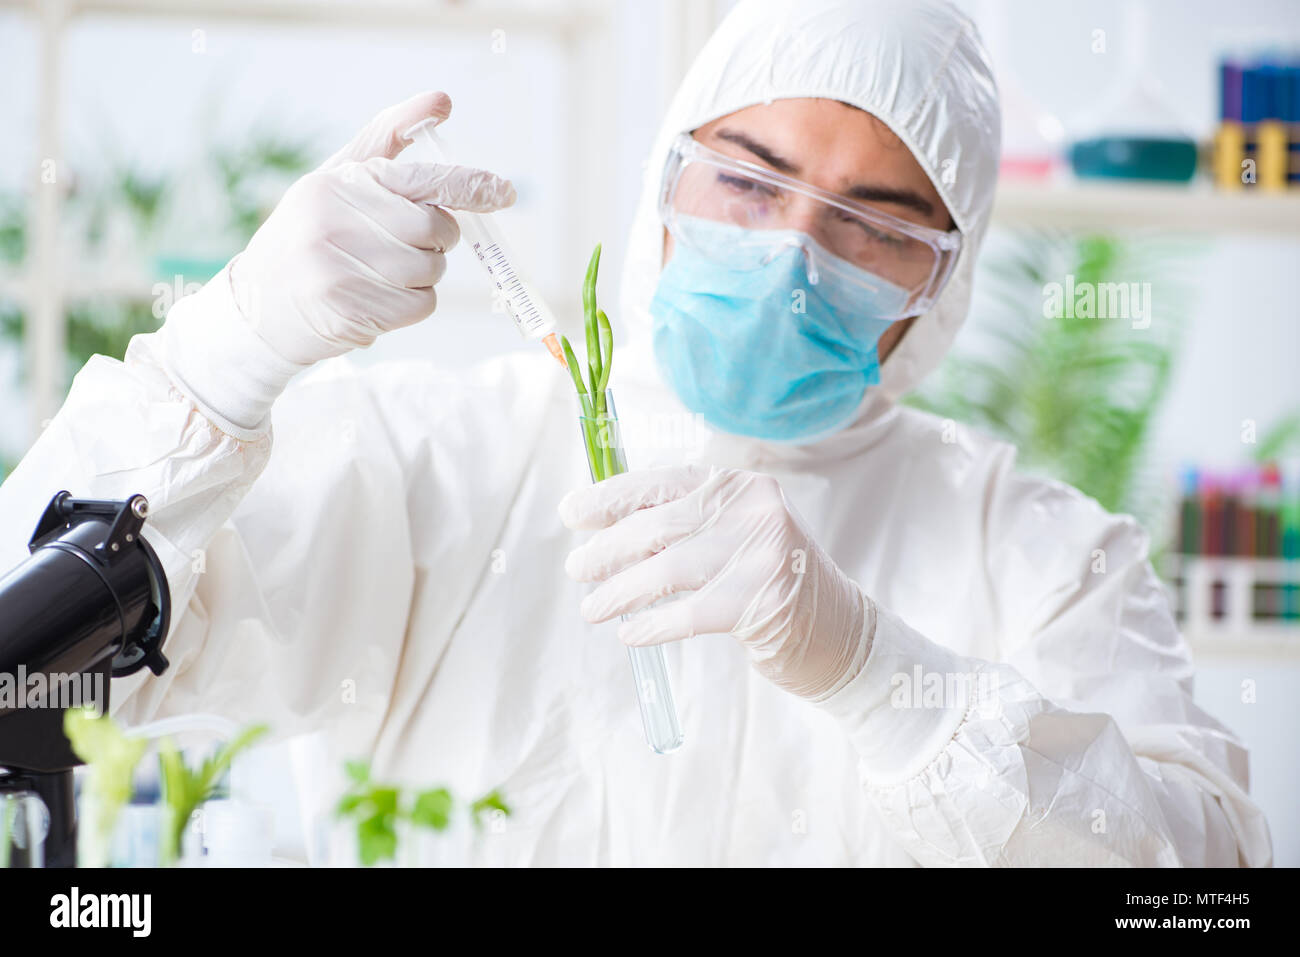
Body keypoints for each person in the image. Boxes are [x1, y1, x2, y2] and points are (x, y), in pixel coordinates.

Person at [0, 0, 1271, 866]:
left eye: (874, 221)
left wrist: (876, 672)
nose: (790, 254)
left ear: (943, 280)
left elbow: (1195, 883)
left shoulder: (1040, 552)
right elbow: (27, 651)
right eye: (749, 178)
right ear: (666, 179)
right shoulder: (437, 463)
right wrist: (229, 351)